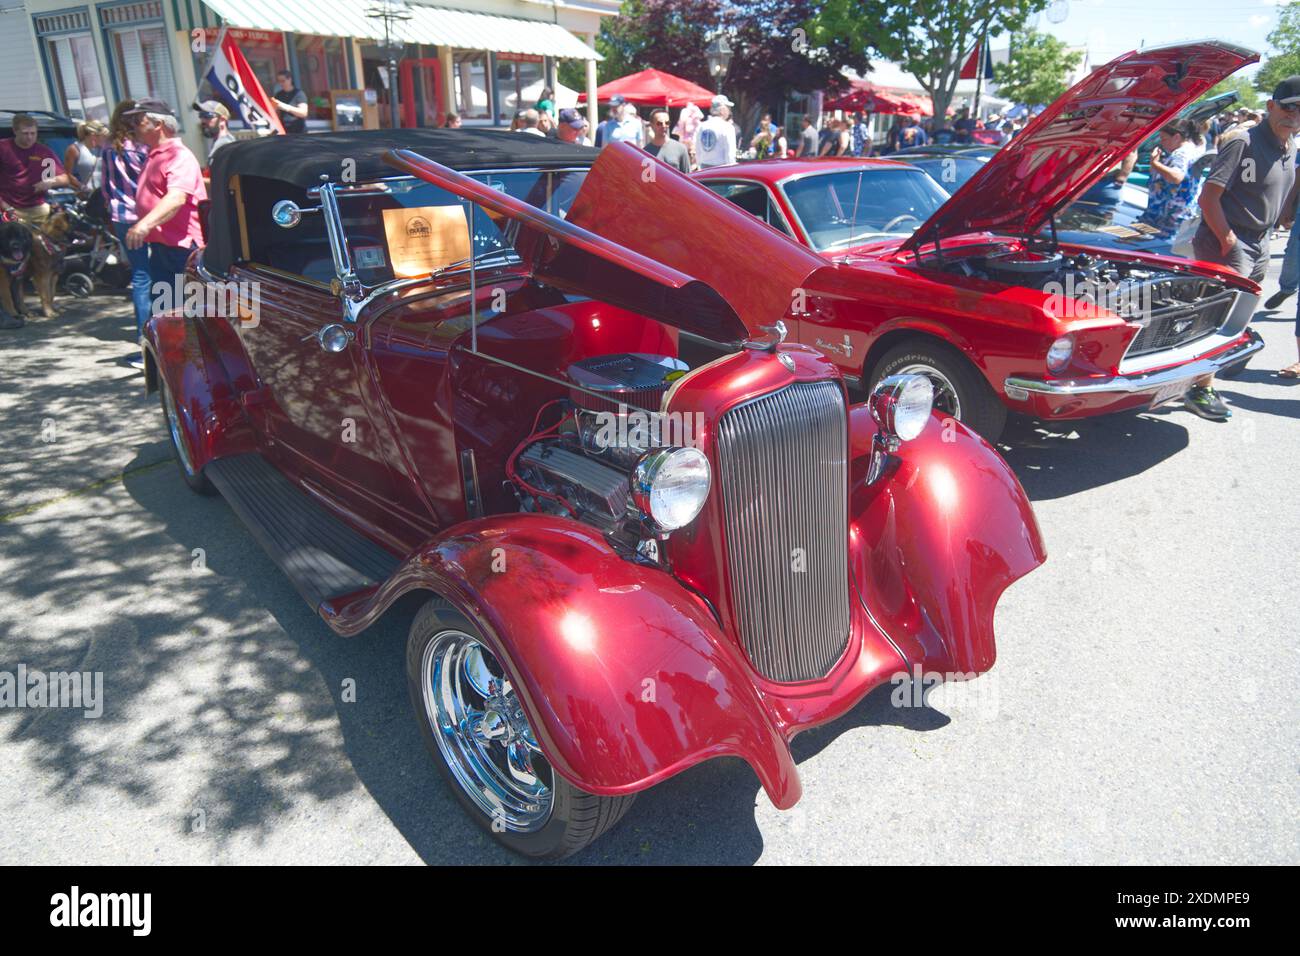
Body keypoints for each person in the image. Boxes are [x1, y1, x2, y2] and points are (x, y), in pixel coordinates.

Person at [1188, 76, 1300, 420]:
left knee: (1239, 312)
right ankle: (1200, 388)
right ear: (1270, 106)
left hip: (1261, 239)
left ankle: (1228, 355)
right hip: (1230, 238)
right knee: (1216, 315)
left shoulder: (1291, 144)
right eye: (1288, 107)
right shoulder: (1243, 141)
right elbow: (1209, 196)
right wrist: (1228, 239)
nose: (1294, 115)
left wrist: (1283, 216)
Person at [123, 100, 207, 343]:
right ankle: (170, 358)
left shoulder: (179, 156)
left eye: (138, 121)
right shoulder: (156, 155)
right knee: (167, 311)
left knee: (181, 312)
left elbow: (177, 197)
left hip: (181, 249)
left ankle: (186, 363)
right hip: (164, 247)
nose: (134, 128)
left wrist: (144, 224)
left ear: (158, 124)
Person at [99, 100, 151, 346]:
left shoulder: (109, 146)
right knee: (155, 272)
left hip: (121, 216)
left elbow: (104, 186)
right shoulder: (142, 147)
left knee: (140, 274)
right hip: (145, 216)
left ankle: (142, 332)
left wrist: (112, 208)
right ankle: (153, 331)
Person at [0, 113, 80, 227]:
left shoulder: (43, 152)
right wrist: (4, 206)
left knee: (49, 241)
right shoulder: (3, 148)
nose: (30, 137)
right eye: (25, 133)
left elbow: (65, 178)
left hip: (38, 208)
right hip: (9, 208)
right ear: (15, 131)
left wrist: (49, 182)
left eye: (33, 133)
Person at [1136, 119, 1203, 237]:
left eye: (1164, 139)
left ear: (1177, 137)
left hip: (1166, 216)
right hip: (1177, 215)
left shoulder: (1181, 153)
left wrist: (1155, 163)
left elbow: (1177, 177)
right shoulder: (1193, 149)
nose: (1162, 143)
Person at [64, 120, 107, 198]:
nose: (105, 139)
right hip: (89, 196)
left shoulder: (103, 149)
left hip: (105, 193)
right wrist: (82, 187)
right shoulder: (75, 149)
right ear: (93, 135)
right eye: (103, 136)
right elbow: (67, 174)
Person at [695, 95, 737, 168]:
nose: (729, 112)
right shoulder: (727, 127)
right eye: (728, 108)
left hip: (703, 167)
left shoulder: (702, 126)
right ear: (722, 110)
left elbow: (698, 150)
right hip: (721, 169)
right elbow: (730, 154)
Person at [644, 109, 690, 173]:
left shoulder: (681, 149)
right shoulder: (645, 152)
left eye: (667, 123)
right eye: (659, 123)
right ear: (652, 125)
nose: (664, 126)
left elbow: (688, 177)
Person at [272, 70, 309, 134]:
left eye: (283, 81)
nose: (281, 84)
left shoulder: (299, 94)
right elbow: (275, 113)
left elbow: (303, 113)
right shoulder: (278, 95)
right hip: (284, 130)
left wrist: (285, 107)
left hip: (298, 131)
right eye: (279, 81)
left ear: (289, 79)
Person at [674, 101, 703, 167]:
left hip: (689, 137)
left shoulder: (689, 113)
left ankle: (692, 164)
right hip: (689, 137)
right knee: (690, 152)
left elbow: (681, 125)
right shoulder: (687, 113)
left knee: (691, 152)